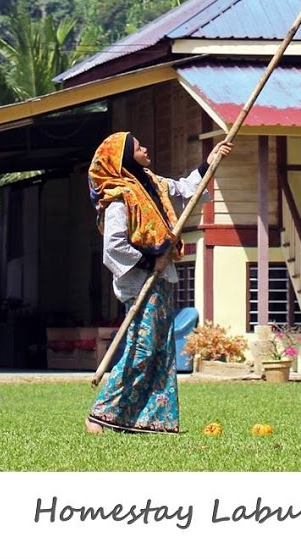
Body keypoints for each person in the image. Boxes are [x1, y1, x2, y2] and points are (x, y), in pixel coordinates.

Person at [85, 131, 231, 434]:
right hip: (140, 283)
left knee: (162, 349)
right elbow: (114, 247)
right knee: (143, 348)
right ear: (125, 157)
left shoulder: (152, 184)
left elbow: (186, 190)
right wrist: (151, 261)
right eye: (139, 147)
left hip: (161, 280)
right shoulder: (118, 198)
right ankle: (101, 414)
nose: (146, 149)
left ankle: (150, 418)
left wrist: (209, 162)